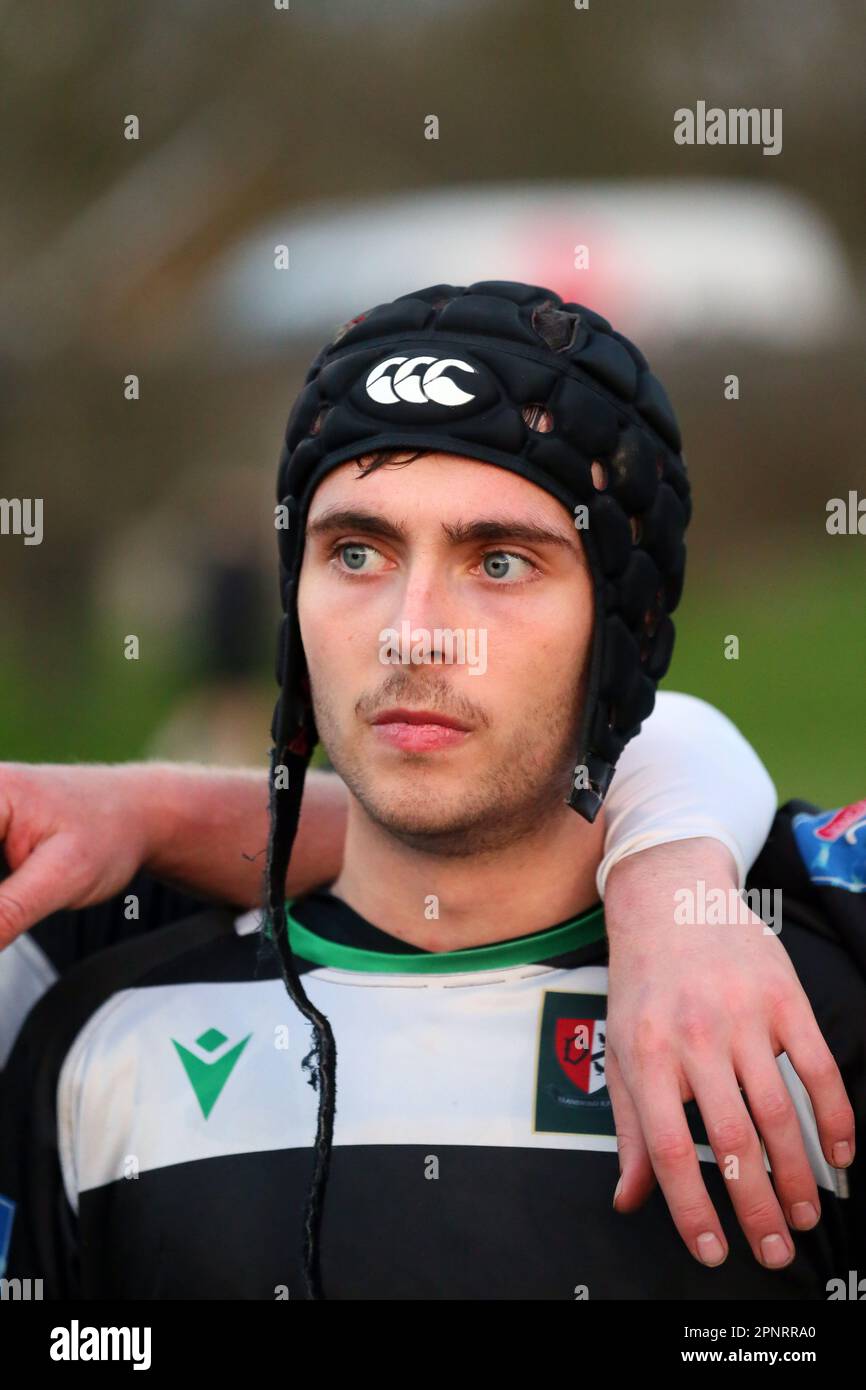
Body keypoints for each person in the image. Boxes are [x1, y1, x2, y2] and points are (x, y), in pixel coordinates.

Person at [0, 281, 861, 1301]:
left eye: (498, 562)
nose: (412, 634)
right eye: (355, 553)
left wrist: (669, 875)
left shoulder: (807, 974)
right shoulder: (82, 995)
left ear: (625, 634)